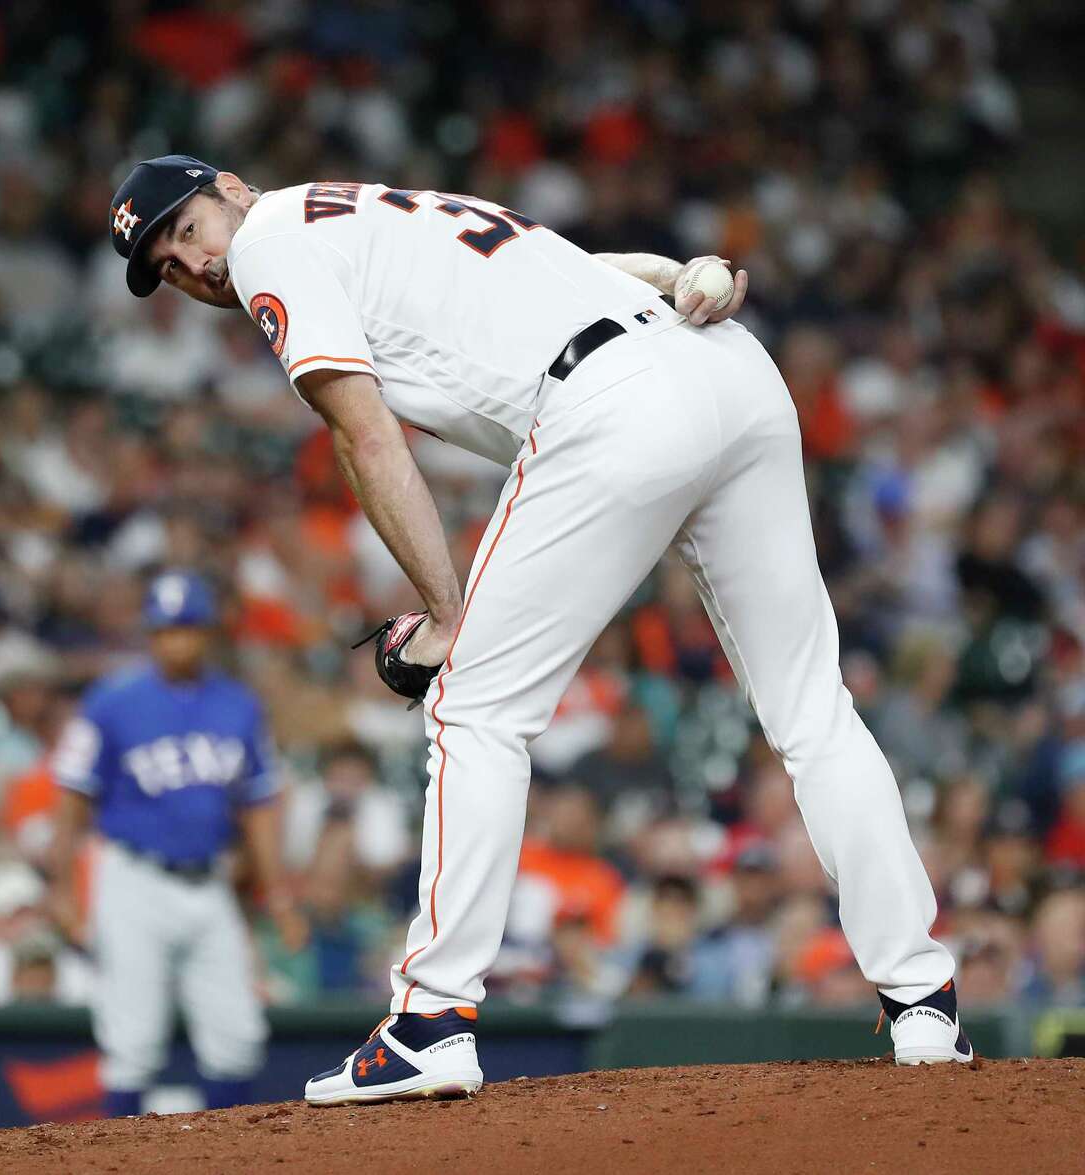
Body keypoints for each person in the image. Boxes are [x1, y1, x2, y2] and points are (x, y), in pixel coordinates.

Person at [107, 156, 970, 1103]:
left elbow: (361, 433)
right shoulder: (370, 212)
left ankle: (432, 1019)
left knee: (474, 706)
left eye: (187, 230)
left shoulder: (271, 239)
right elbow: (565, 263)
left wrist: (445, 616)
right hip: (723, 367)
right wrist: (679, 273)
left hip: (616, 401)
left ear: (231, 189)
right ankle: (922, 995)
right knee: (813, 711)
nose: (194, 266)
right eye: (167, 264)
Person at [49, 569, 291, 1116]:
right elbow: (70, 799)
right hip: (134, 881)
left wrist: (276, 892)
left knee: (237, 1037)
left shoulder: (239, 705)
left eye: (186, 628)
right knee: (132, 1044)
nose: (175, 640)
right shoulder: (111, 702)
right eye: (164, 630)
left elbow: (258, 805)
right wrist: (62, 885)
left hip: (211, 884)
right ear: (149, 635)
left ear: (207, 633)